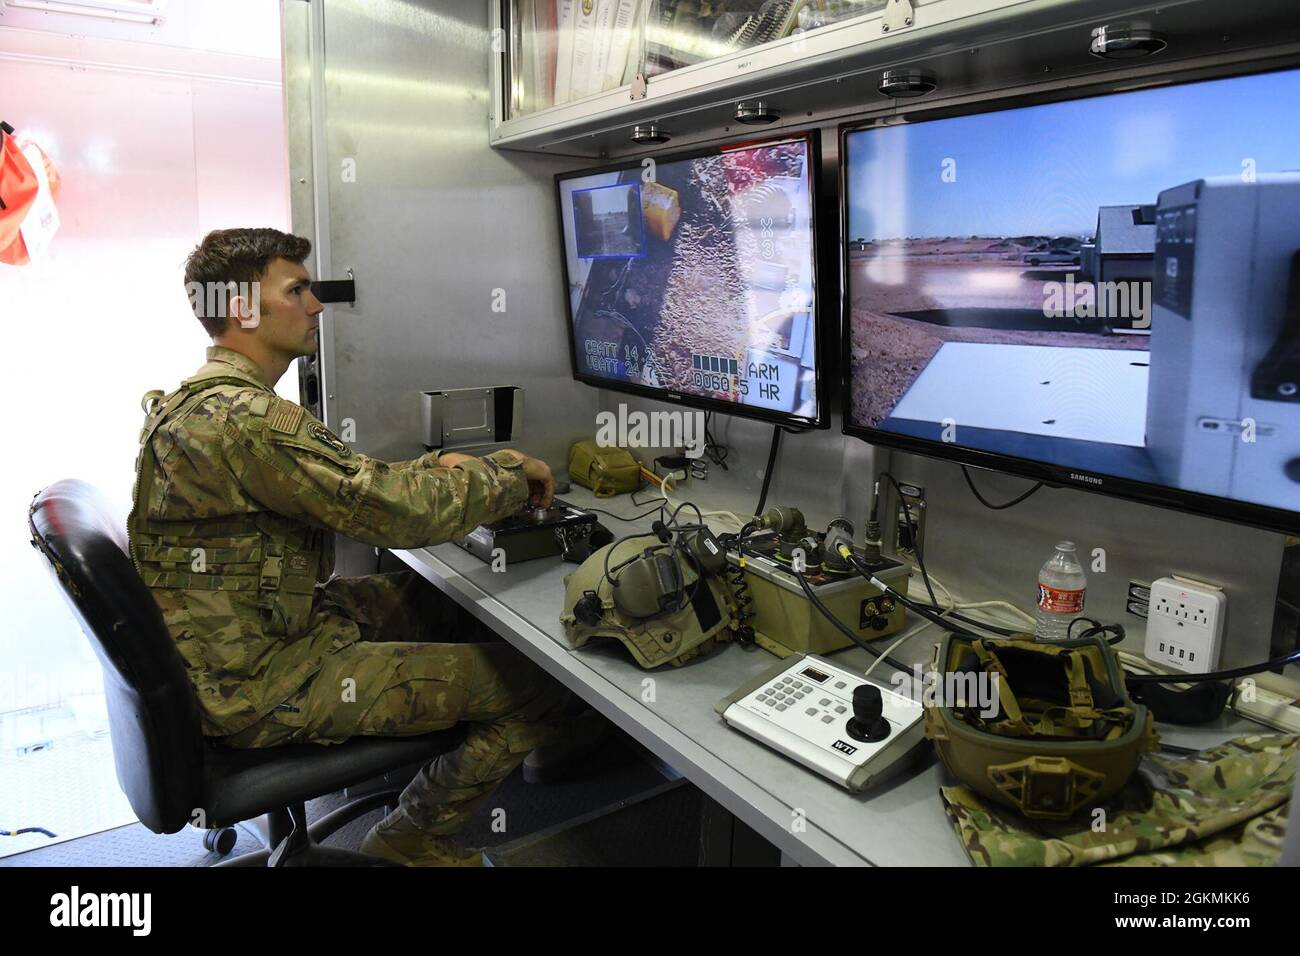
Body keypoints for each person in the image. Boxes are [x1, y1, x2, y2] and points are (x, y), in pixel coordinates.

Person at [130, 227, 572, 866]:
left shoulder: (201, 405)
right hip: (262, 685)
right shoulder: (247, 420)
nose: (316, 305)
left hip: (240, 648)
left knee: (436, 602)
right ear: (245, 310)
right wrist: (505, 475)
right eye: (298, 290)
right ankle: (411, 838)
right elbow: (389, 511)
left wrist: (436, 472)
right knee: (541, 687)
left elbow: (345, 483)